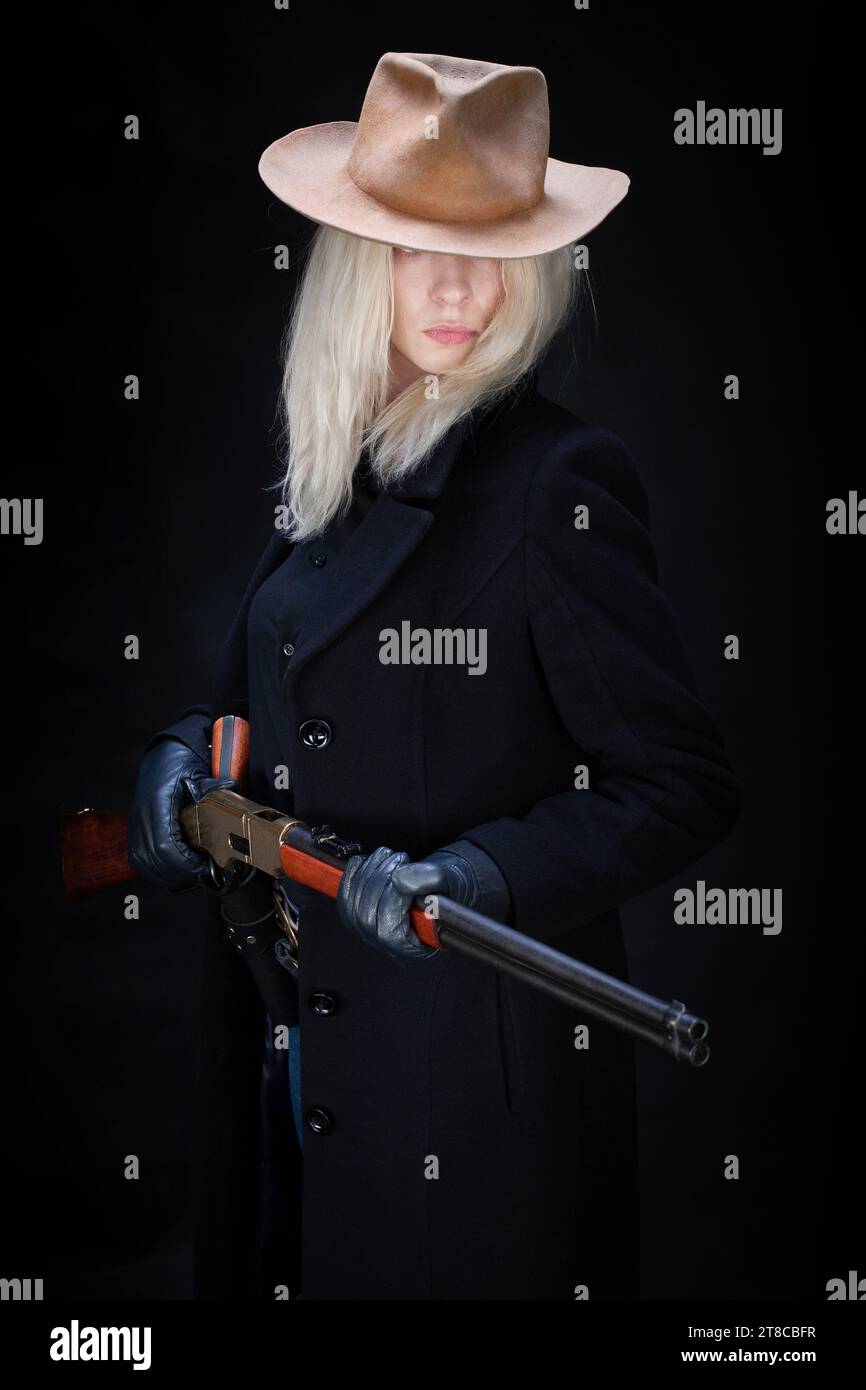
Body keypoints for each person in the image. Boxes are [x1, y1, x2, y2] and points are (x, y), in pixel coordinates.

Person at [128, 51, 742, 1301]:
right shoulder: (340, 466)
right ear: (363, 263)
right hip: (303, 1069)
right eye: (418, 246)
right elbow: (256, 696)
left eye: (490, 250)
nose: (459, 287)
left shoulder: (553, 482)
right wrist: (182, 756)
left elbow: (676, 783)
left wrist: (475, 875)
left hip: (467, 1112)